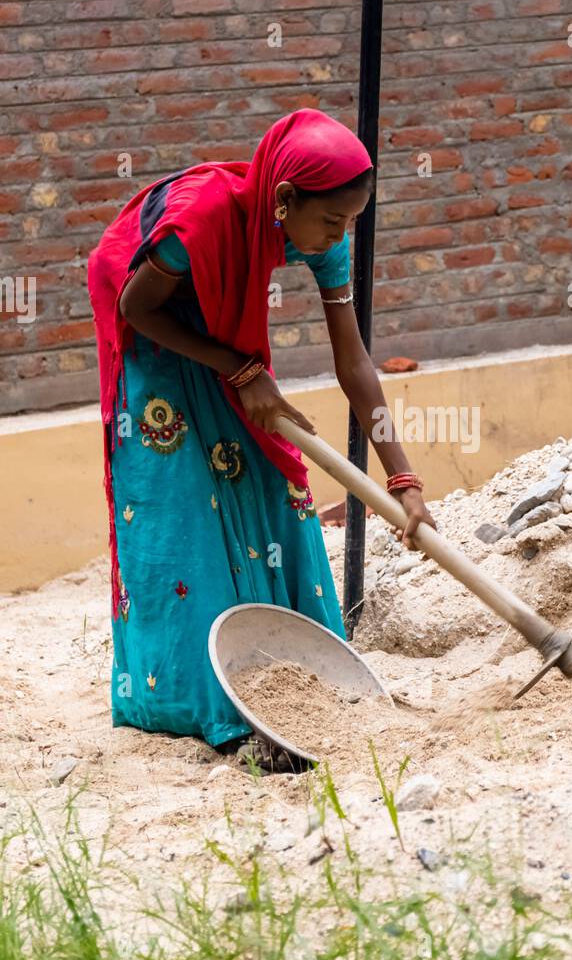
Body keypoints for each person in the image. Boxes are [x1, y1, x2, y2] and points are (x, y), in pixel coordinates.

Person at [87, 108, 435, 760]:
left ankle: (294, 669)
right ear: (283, 200)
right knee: (184, 492)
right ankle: (189, 700)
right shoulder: (199, 223)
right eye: (333, 221)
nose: (340, 235)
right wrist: (240, 368)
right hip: (151, 322)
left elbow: (355, 364)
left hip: (219, 324)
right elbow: (137, 307)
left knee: (271, 478)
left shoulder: (326, 236)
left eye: (351, 222)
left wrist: (404, 479)